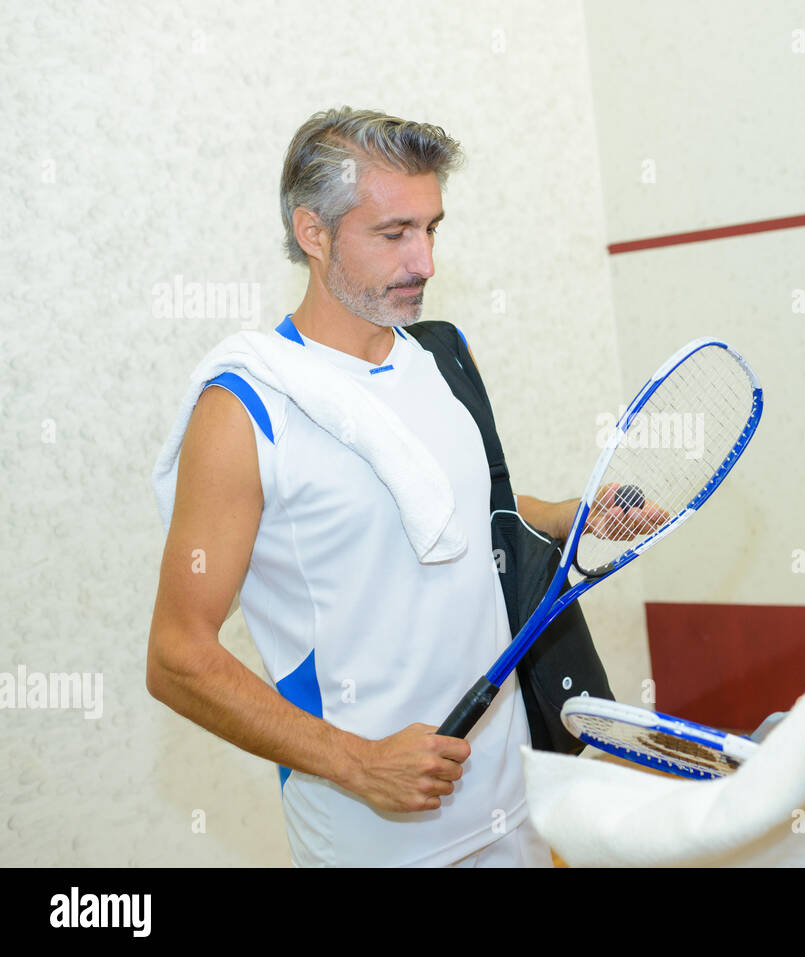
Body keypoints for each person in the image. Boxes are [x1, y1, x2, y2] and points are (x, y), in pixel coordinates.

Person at [146, 107, 651, 867]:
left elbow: (475, 518)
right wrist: (357, 761)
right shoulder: (246, 409)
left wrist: (572, 516)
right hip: (373, 838)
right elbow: (176, 656)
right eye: (393, 234)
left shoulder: (443, 357)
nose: (424, 262)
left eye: (432, 228)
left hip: (514, 803)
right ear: (313, 232)